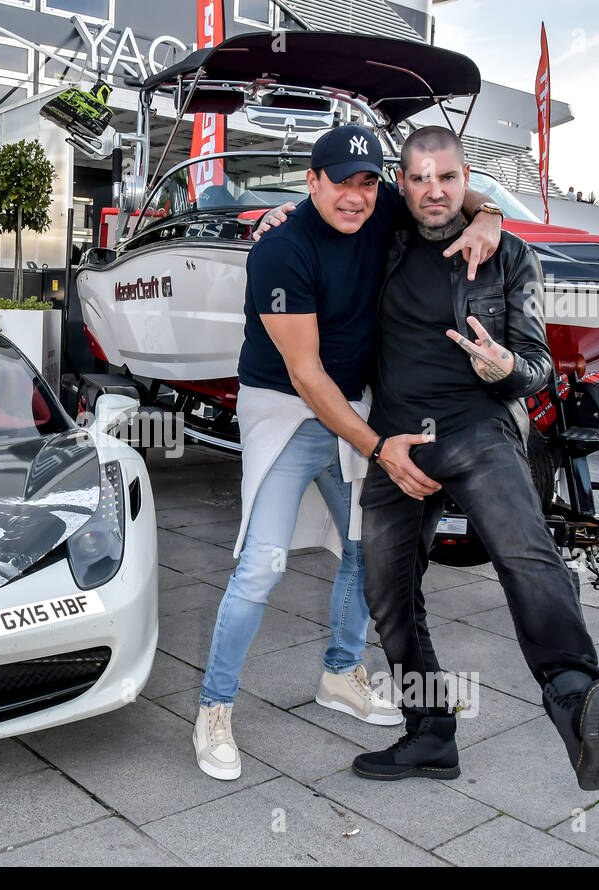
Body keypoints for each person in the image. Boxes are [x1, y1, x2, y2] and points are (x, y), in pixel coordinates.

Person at [193, 125, 505, 781]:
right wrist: (380, 449)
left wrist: (492, 219)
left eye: (368, 181)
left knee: (367, 551)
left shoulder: (384, 203)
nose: (357, 196)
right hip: (285, 407)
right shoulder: (281, 249)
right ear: (311, 182)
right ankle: (214, 709)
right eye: (341, 181)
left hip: (356, 403)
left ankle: (339, 673)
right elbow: (306, 375)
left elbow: (451, 194)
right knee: (260, 564)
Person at [351, 125, 599, 791]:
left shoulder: (510, 257)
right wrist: (287, 218)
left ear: (464, 179)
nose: (433, 190)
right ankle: (430, 734)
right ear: (403, 183)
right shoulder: (385, 238)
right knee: (387, 593)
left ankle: (575, 697)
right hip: (398, 441)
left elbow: (537, 366)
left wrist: (504, 367)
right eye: (419, 178)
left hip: (479, 427)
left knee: (524, 550)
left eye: (447, 178)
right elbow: (336, 213)